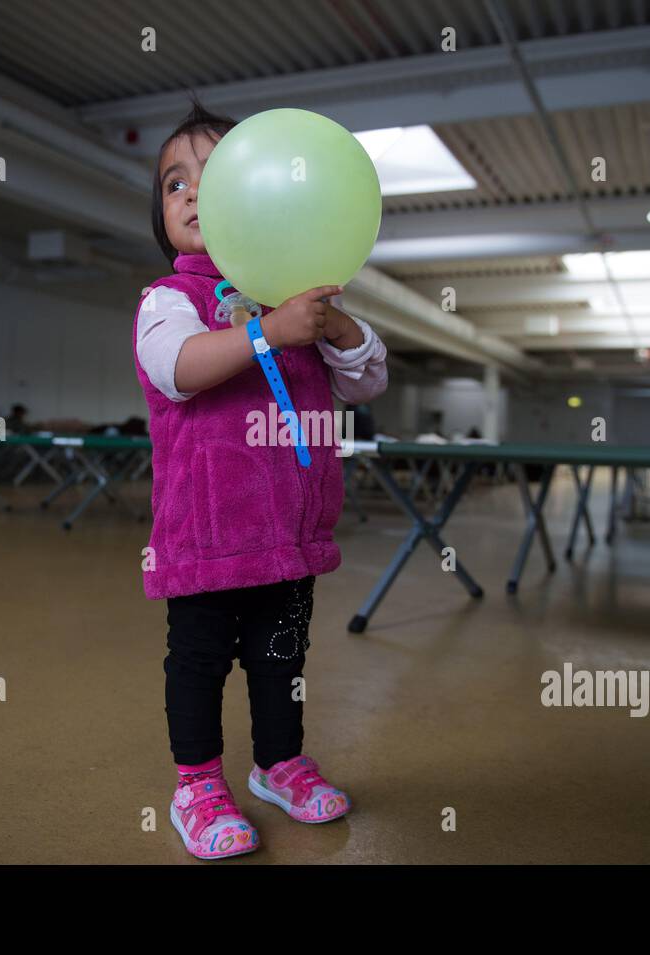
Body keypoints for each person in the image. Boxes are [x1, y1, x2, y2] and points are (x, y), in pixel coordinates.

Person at [133, 102, 389, 860]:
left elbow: (366, 381)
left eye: (210, 180)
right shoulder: (169, 300)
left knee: (282, 660)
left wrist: (340, 328)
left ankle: (279, 764)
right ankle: (198, 784)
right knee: (200, 662)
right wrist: (263, 332)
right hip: (207, 533)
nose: (186, 193)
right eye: (173, 183)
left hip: (289, 533)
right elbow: (176, 370)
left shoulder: (298, 302)